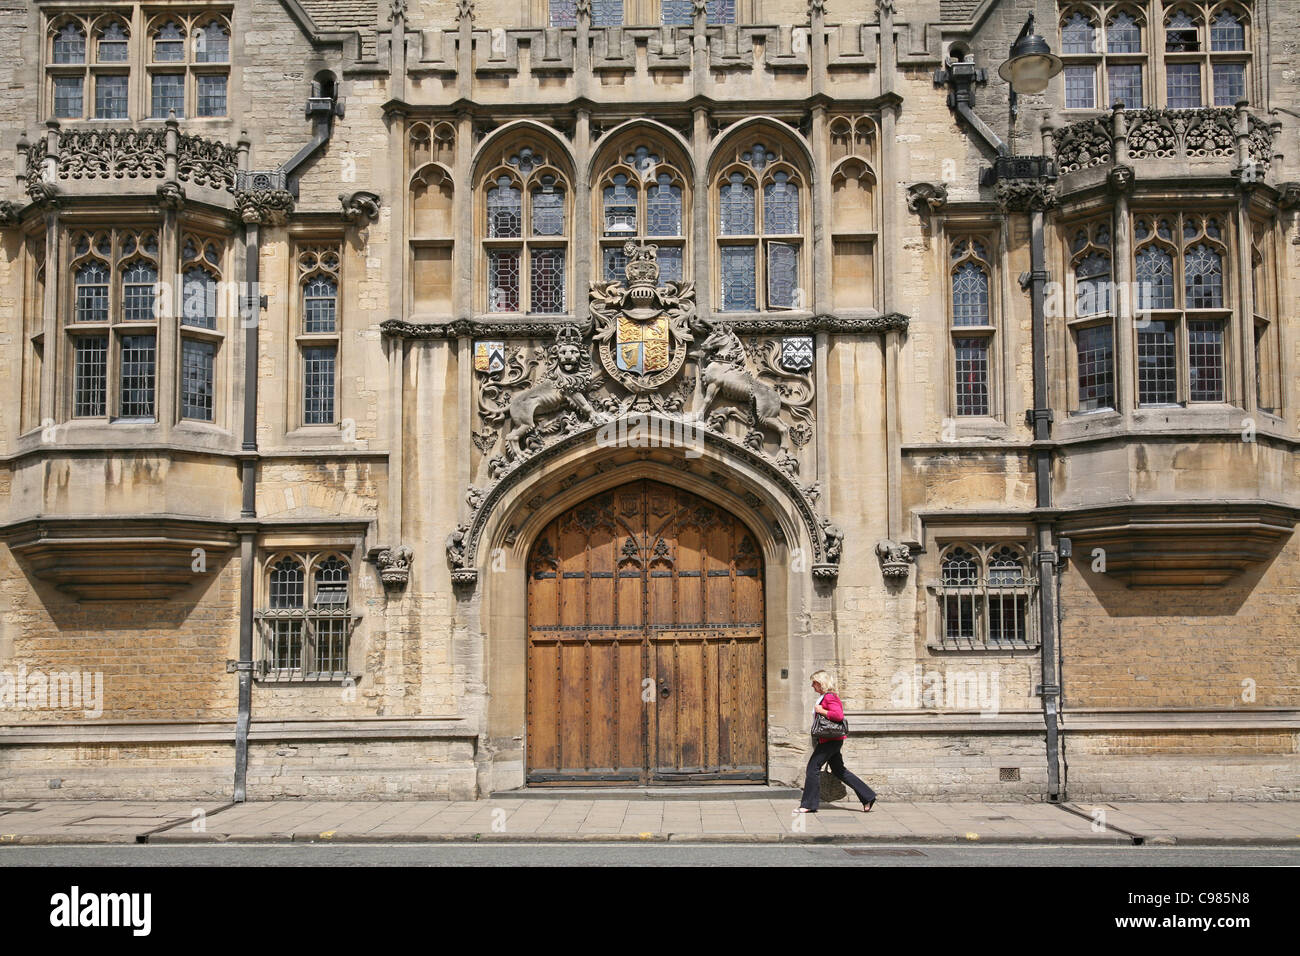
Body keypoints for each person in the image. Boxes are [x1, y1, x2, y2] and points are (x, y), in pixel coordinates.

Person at [795, 670, 877, 813]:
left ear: (821, 683)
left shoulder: (829, 697)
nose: (812, 686)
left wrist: (821, 711)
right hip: (830, 740)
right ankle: (868, 796)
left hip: (830, 741)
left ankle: (808, 804)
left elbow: (838, 716)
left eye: (814, 683)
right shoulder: (824, 697)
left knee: (812, 768)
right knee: (839, 771)